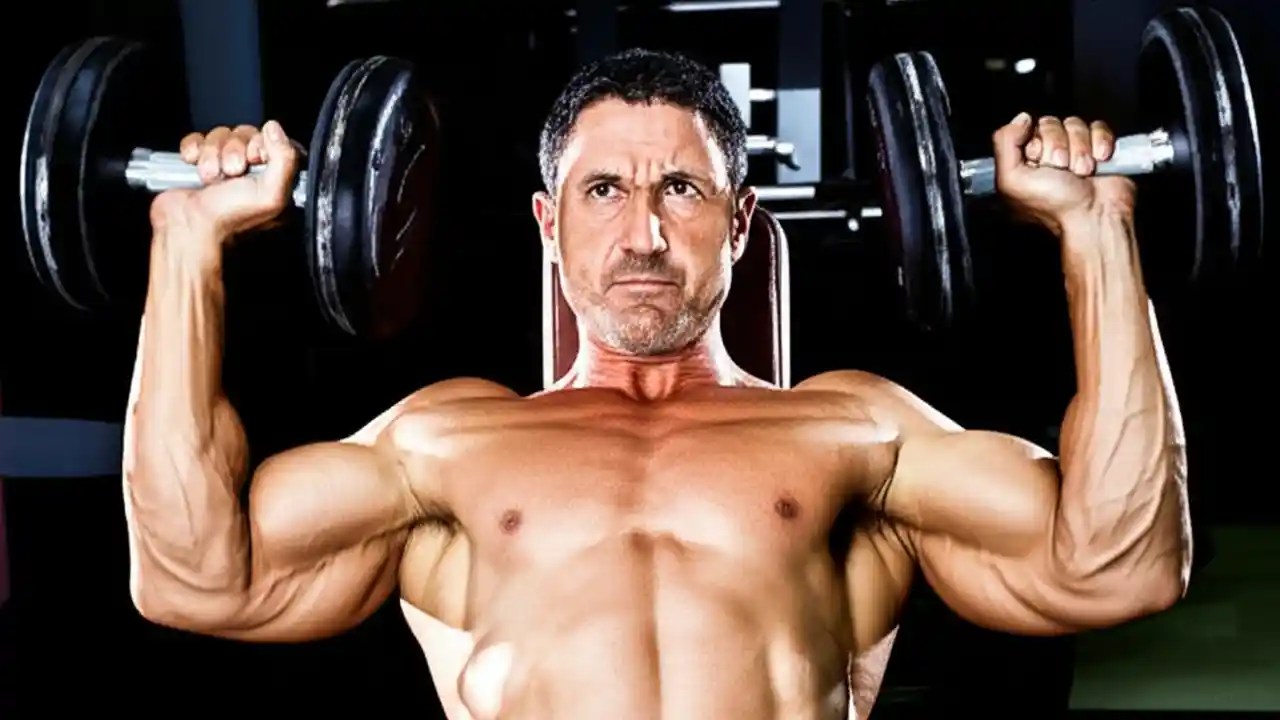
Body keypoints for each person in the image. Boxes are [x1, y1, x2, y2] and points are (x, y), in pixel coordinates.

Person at [122, 48, 1190, 720]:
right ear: (549, 226)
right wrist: (186, 238)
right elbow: (192, 579)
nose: (641, 231)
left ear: (736, 222)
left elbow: (1114, 570)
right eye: (602, 190)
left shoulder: (851, 428)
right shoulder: (443, 441)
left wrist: (1095, 231)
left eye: (679, 188)